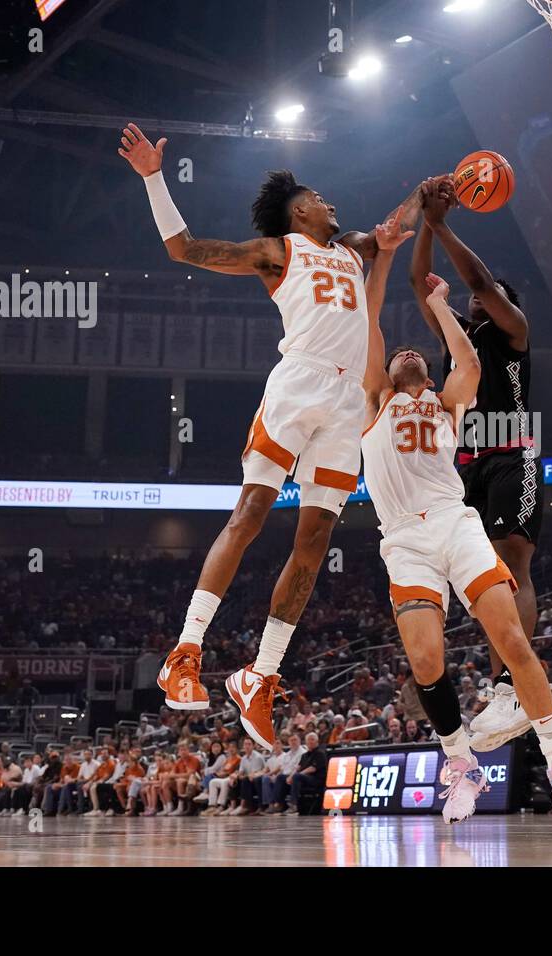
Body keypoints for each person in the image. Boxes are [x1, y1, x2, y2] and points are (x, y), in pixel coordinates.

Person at [119, 122, 425, 747]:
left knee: (315, 537)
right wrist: (154, 177)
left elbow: (384, 232)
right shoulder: (278, 251)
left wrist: (428, 193)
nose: (335, 206)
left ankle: (259, 676)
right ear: (301, 210)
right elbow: (185, 249)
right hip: (298, 386)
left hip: (345, 401)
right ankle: (186, 651)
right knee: (252, 513)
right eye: (324, 199)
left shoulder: (349, 248)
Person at [359, 212, 552, 823]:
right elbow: (371, 327)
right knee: (426, 662)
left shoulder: (451, 396)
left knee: (510, 634)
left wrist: (441, 306)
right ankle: (460, 764)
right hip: (406, 538)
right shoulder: (372, 404)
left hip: (458, 514)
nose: (406, 353)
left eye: (419, 352)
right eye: (397, 356)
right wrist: (388, 257)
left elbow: (469, 364)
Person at [409, 179, 539, 753]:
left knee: (514, 557)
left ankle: (512, 686)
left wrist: (441, 224)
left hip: (514, 451)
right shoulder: (458, 341)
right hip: (463, 463)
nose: (472, 303)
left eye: (482, 301)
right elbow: (420, 284)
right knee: (488, 578)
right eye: (469, 304)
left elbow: (480, 282)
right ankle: (500, 688)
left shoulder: (514, 330)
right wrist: (420, 222)